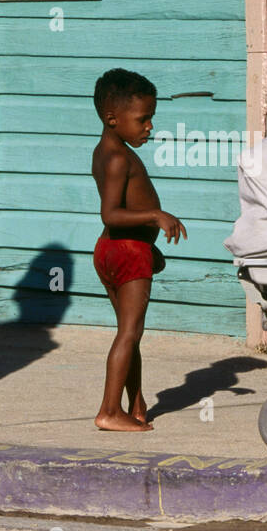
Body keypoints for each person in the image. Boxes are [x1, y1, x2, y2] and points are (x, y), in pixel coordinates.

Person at [90, 69, 187, 431]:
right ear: (112, 118)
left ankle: (137, 403)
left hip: (114, 249)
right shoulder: (118, 158)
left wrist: (149, 245)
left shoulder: (106, 151)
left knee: (128, 333)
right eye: (142, 119)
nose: (149, 126)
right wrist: (155, 216)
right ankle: (109, 412)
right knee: (129, 333)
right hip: (127, 252)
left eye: (151, 118)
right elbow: (111, 212)